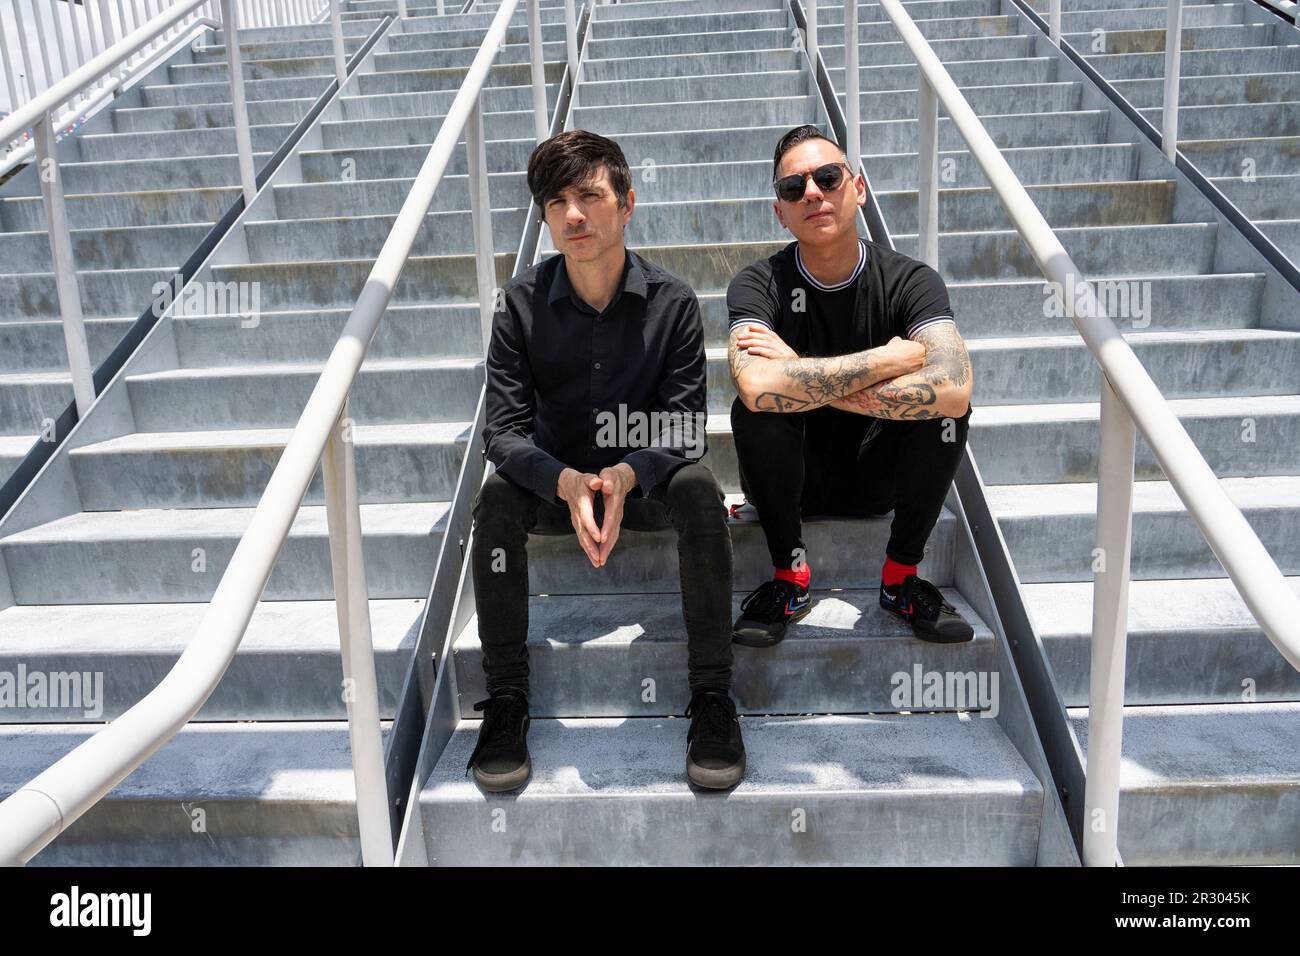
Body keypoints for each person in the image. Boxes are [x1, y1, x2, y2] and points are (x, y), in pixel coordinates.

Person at [466, 130, 743, 793]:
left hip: (639, 489)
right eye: (556, 201)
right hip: (555, 490)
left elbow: (682, 426)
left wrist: (624, 477)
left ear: (627, 203)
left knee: (701, 491)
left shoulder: (672, 302)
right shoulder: (520, 305)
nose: (573, 216)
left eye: (589, 196)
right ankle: (506, 700)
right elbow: (501, 433)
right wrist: (563, 482)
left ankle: (712, 698)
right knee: (495, 501)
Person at [726, 125, 976, 648]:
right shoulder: (756, 284)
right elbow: (754, 387)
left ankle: (901, 578)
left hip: (876, 476)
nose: (812, 193)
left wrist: (799, 369)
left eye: (828, 177)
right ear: (780, 211)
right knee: (757, 411)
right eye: (793, 188)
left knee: (947, 418)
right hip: (789, 477)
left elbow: (953, 388)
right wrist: (884, 361)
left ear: (857, 188)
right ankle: (789, 579)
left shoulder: (912, 281)